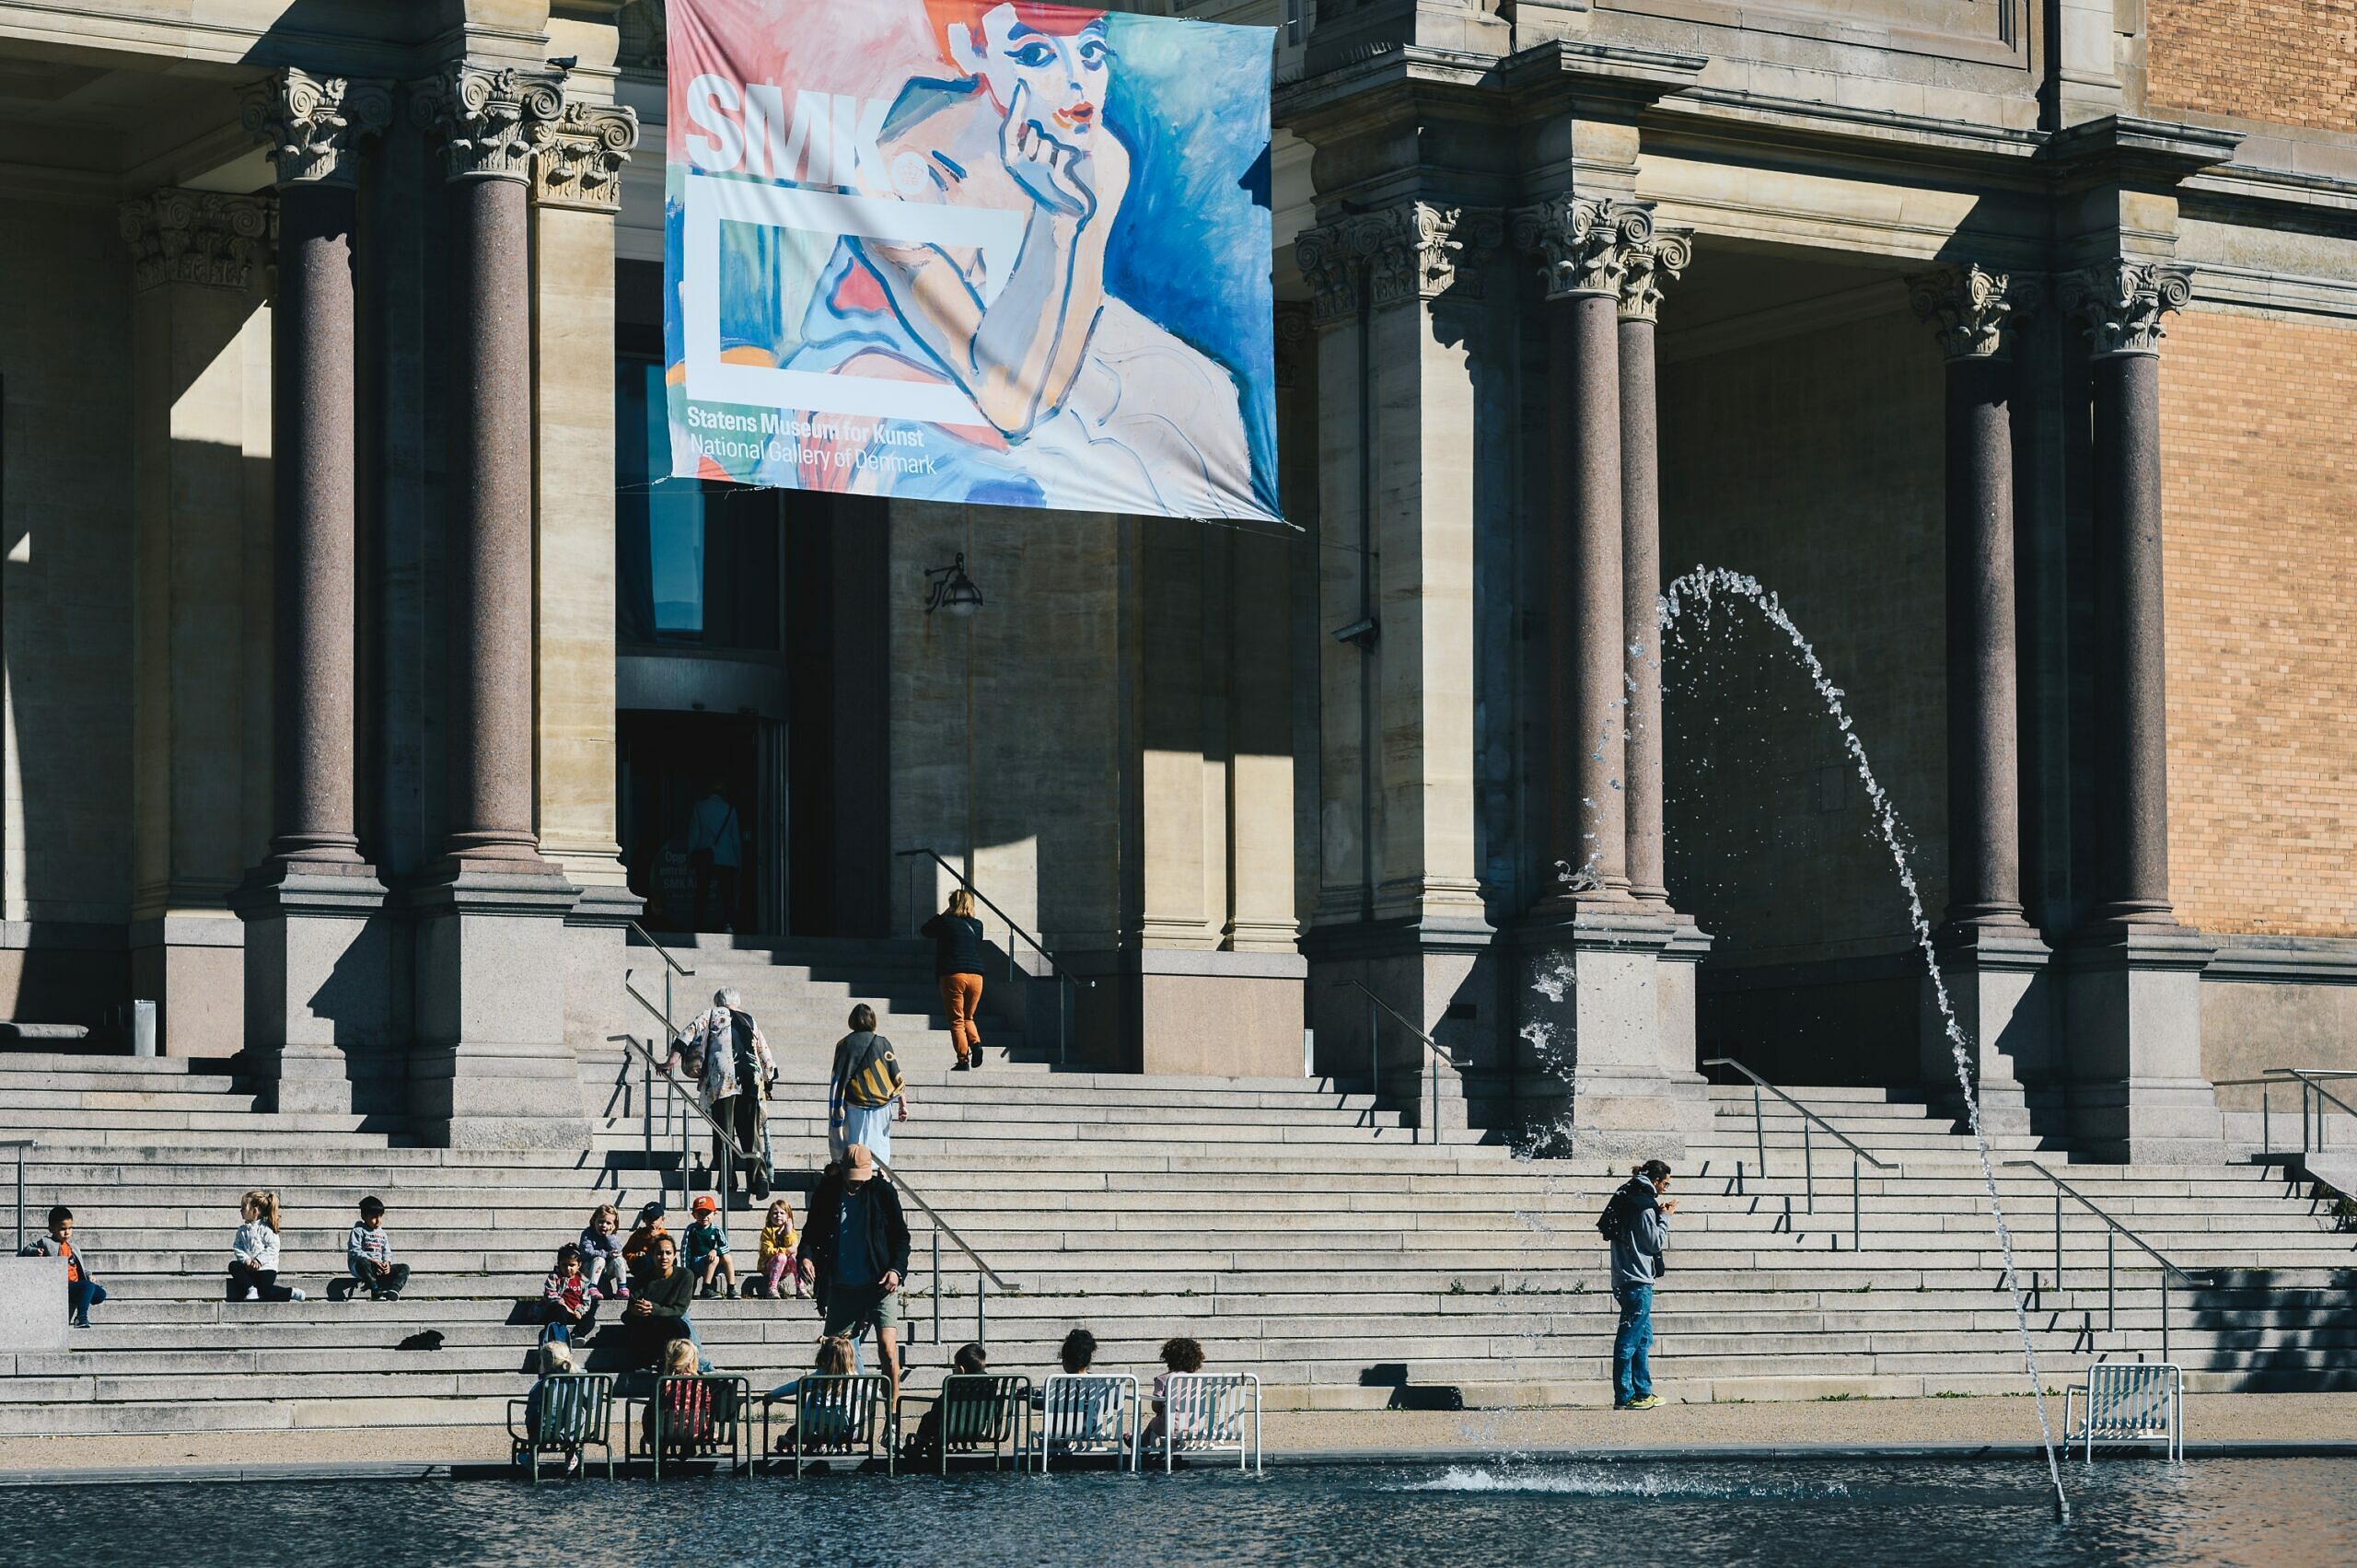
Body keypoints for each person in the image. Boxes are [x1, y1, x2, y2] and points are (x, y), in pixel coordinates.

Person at [770, 3, 1260, 520]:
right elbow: (1008, 403)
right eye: (1035, 55)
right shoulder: (893, 166)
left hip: (1027, 361)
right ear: (970, 53)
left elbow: (1053, 364)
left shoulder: (1099, 158)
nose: (1077, 86)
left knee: (1207, 396)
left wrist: (1065, 222)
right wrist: (1058, 221)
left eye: (1092, 52)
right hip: (890, 364)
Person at [795, 1144, 912, 1409]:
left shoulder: (882, 1191)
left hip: (880, 1282)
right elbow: (811, 1233)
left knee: (888, 1349)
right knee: (832, 1353)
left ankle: (893, 1410)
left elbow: (901, 1237)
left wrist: (896, 1270)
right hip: (842, 1284)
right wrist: (805, 1256)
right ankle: (834, 1410)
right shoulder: (827, 1191)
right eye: (852, 1179)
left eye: (862, 1179)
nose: (857, 1185)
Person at [669, 987, 777, 1201]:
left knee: (723, 1131)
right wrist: (768, 1083)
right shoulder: (750, 1019)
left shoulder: (711, 1014)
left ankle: (728, 1179)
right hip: (751, 1078)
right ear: (737, 1001)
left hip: (722, 1078)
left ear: (718, 1001)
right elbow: (765, 1053)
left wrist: (670, 1062)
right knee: (750, 1131)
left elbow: (686, 1035)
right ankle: (758, 1178)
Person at [1605, 1159, 1676, 1411]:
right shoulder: (1644, 1205)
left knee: (1643, 1337)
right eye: (1665, 1183)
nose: (1665, 1188)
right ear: (1656, 1180)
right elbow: (1654, 1242)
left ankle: (1642, 1391)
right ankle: (1624, 1396)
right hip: (1637, 1279)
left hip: (1626, 1277)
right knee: (1629, 1339)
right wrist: (1664, 1217)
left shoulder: (1628, 1195)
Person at [829, 1005, 910, 1166]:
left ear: (852, 1020)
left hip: (854, 1104)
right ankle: (880, 1180)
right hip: (882, 1105)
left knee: (855, 1148)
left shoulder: (844, 1044)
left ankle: (855, 1180)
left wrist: (837, 1106)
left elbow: (838, 1077)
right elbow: (895, 1074)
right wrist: (903, 1105)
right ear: (873, 1020)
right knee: (880, 1145)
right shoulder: (883, 1043)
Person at [922, 888, 991, 1070]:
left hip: (954, 974)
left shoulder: (945, 921)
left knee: (956, 1020)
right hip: (977, 976)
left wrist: (943, 914)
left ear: (952, 905)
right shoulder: (978, 925)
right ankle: (976, 1044)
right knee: (968, 1016)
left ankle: (963, 1060)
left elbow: (926, 930)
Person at [900, 1342, 990, 1466]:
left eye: (955, 1368)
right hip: (977, 1429)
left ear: (962, 1369)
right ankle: (933, 1448)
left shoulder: (955, 1385)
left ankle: (918, 1449)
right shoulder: (989, 1384)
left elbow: (939, 1407)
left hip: (949, 1429)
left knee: (929, 1417)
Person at [623, 1233, 696, 1368]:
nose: (664, 1257)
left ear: (674, 1255)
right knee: (640, 1326)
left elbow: (679, 1309)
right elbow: (629, 1310)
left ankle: (686, 1365)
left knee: (679, 1325)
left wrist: (653, 1308)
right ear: (652, 1255)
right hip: (648, 1323)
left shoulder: (685, 1276)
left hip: (671, 1321)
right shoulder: (643, 1277)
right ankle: (645, 1364)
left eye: (668, 1253)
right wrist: (636, 1310)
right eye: (659, 1253)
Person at [27, 1205, 104, 1328]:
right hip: (61, 1285)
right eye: (63, 1229)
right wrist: (34, 1251)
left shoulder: (74, 1247)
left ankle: (83, 1295)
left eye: (70, 1228)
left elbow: (82, 1269)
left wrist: (89, 1275)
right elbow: (26, 1249)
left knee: (101, 1294)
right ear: (51, 1229)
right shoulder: (46, 1242)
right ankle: (81, 1318)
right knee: (88, 1287)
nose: (67, 1232)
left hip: (77, 1284)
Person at [683, 780, 741, 933]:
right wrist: (739, 859)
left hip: (705, 855)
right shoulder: (729, 809)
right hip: (726, 857)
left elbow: (695, 834)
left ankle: (698, 924)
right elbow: (735, 837)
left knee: (702, 891)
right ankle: (729, 923)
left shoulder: (700, 807)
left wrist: (690, 854)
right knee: (727, 893)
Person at [227, 1190, 303, 1303]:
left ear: (255, 1211)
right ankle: (251, 1289)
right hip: (250, 1269)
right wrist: (246, 1260)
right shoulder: (242, 1230)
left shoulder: (266, 1229)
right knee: (233, 1265)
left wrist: (259, 1260)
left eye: (243, 1207)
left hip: (267, 1268)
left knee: (265, 1292)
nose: (240, 1210)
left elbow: (273, 1247)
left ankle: (291, 1292)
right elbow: (237, 1247)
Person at [1139, 1335, 1204, 1457]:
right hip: (1196, 1427)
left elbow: (1156, 1407)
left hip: (1170, 1427)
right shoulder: (1199, 1380)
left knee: (1154, 1422)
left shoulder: (1164, 1379)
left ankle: (1141, 1442)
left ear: (1168, 1358)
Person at [343, 1195, 410, 1302]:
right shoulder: (358, 1231)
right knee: (363, 1262)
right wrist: (372, 1261)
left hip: (378, 1268)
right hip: (362, 1266)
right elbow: (354, 1251)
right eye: (374, 1217)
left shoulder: (382, 1233)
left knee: (404, 1267)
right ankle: (375, 1290)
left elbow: (386, 1251)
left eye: (381, 1216)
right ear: (364, 1216)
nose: (378, 1221)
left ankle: (394, 1290)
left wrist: (386, 1262)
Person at [540, 1243, 602, 1342]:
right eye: (564, 1265)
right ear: (559, 1263)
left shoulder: (583, 1280)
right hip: (560, 1311)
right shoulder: (555, 1277)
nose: (568, 1268)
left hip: (575, 1312)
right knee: (559, 1312)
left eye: (572, 1265)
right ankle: (560, 1338)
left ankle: (575, 1335)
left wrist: (580, 1310)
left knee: (591, 1319)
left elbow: (586, 1300)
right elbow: (550, 1295)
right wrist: (566, 1307)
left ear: (579, 1265)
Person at [749, 1197, 803, 1301]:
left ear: (788, 1216)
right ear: (769, 1216)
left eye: (782, 1213)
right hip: (768, 1266)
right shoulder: (767, 1231)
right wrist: (785, 1251)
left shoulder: (792, 1231)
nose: (778, 1215)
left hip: (786, 1267)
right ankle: (772, 1289)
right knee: (781, 1257)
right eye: (775, 1213)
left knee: (795, 1256)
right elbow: (768, 1251)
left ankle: (800, 1287)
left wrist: (787, 1233)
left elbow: (794, 1248)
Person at [684, 1193, 736, 1299]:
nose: (704, 1217)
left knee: (727, 1257)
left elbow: (726, 1246)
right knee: (715, 1259)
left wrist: (716, 1250)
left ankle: (731, 1289)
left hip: (711, 1261)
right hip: (697, 1262)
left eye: (708, 1213)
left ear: (714, 1213)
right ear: (694, 1215)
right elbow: (685, 1249)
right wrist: (686, 1269)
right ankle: (705, 1289)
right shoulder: (692, 1229)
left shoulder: (716, 1229)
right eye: (700, 1214)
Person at [579, 1203, 630, 1301]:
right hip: (588, 1268)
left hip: (606, 1270)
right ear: (594, 1220)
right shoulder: (587, 1234)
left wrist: (609, 1236)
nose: (604, 1226)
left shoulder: (612, 1236)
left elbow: (618, 1251)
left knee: (619, 1259)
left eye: (608, 1223)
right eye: (601, 1222)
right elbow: (586, 1252)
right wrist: (606, 1254)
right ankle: (591, 1288)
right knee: (600, 1259)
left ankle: (622, 1288)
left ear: (614, 1226)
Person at [622, 1202, 668, 1278]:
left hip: (657, 1264)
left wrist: (657, 1236)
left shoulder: (663, 1234)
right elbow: (626, 1251)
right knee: (644, 1261)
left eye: (656, 1218)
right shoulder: (638, 1234)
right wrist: (635, 1256)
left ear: (662, 1219)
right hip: (641, 1265)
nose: (653, 1221)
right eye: (649, 1218)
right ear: (644, 1220)